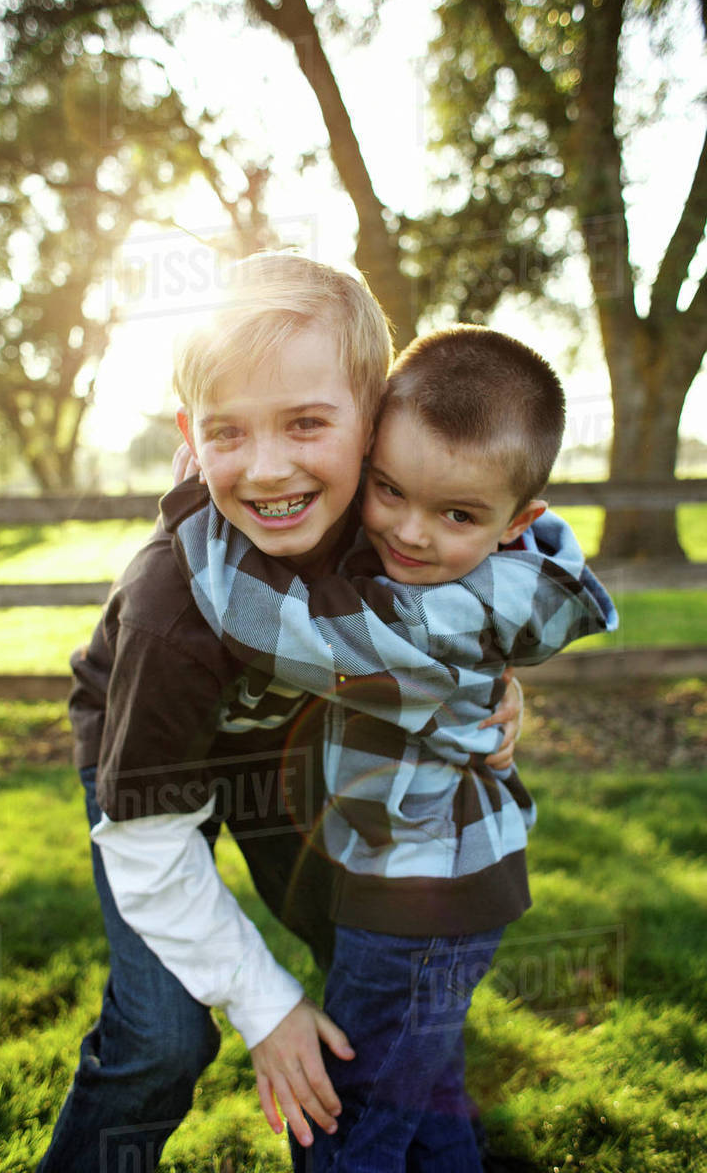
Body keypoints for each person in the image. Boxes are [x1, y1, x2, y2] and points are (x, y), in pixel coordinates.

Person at [37, 256, 522, 1172]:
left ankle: (431, 1123)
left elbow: (497, 578)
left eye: (306, 423)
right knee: (163, 1036)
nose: (268, 469)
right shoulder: (171, 606)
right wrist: (267, 1007)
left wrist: (494, 684)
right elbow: (147, 843)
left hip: (295, 759)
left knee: (388, 963)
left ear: (377, 419)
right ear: (189, 433)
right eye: (227, 432)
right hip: (149, 771)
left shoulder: (402, 528)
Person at [175, 324, 619, 1171]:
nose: (411, 533)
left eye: (456, 514)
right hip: (445, 889)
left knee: (348, 1128)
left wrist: (199, 498)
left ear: (519, 520)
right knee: (425, 1098)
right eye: (388, 490)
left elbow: (271, 625)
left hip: (419, 907)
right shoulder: (496, 565)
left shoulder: (435, 612)